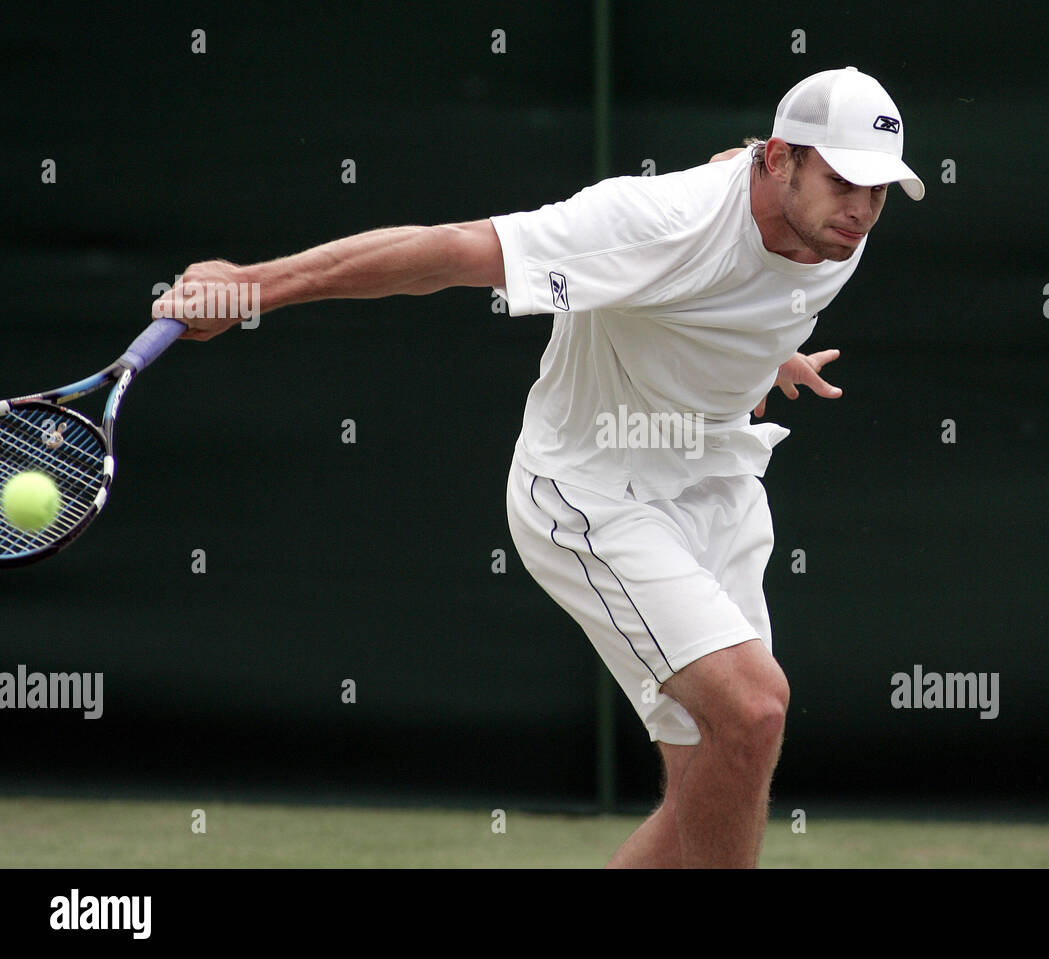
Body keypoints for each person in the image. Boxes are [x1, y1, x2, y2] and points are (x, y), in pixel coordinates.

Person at [153, 67, 924, 868]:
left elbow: (734, 291)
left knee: (715, 772)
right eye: (844, 182)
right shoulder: (656, 219)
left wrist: (764, 353)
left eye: (880, 191)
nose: (862, 210)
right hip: (592, 493)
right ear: (779, 159)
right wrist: (251, 287)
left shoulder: (826, 224)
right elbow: (446, 253)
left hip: (717, 477)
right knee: (756, 710)